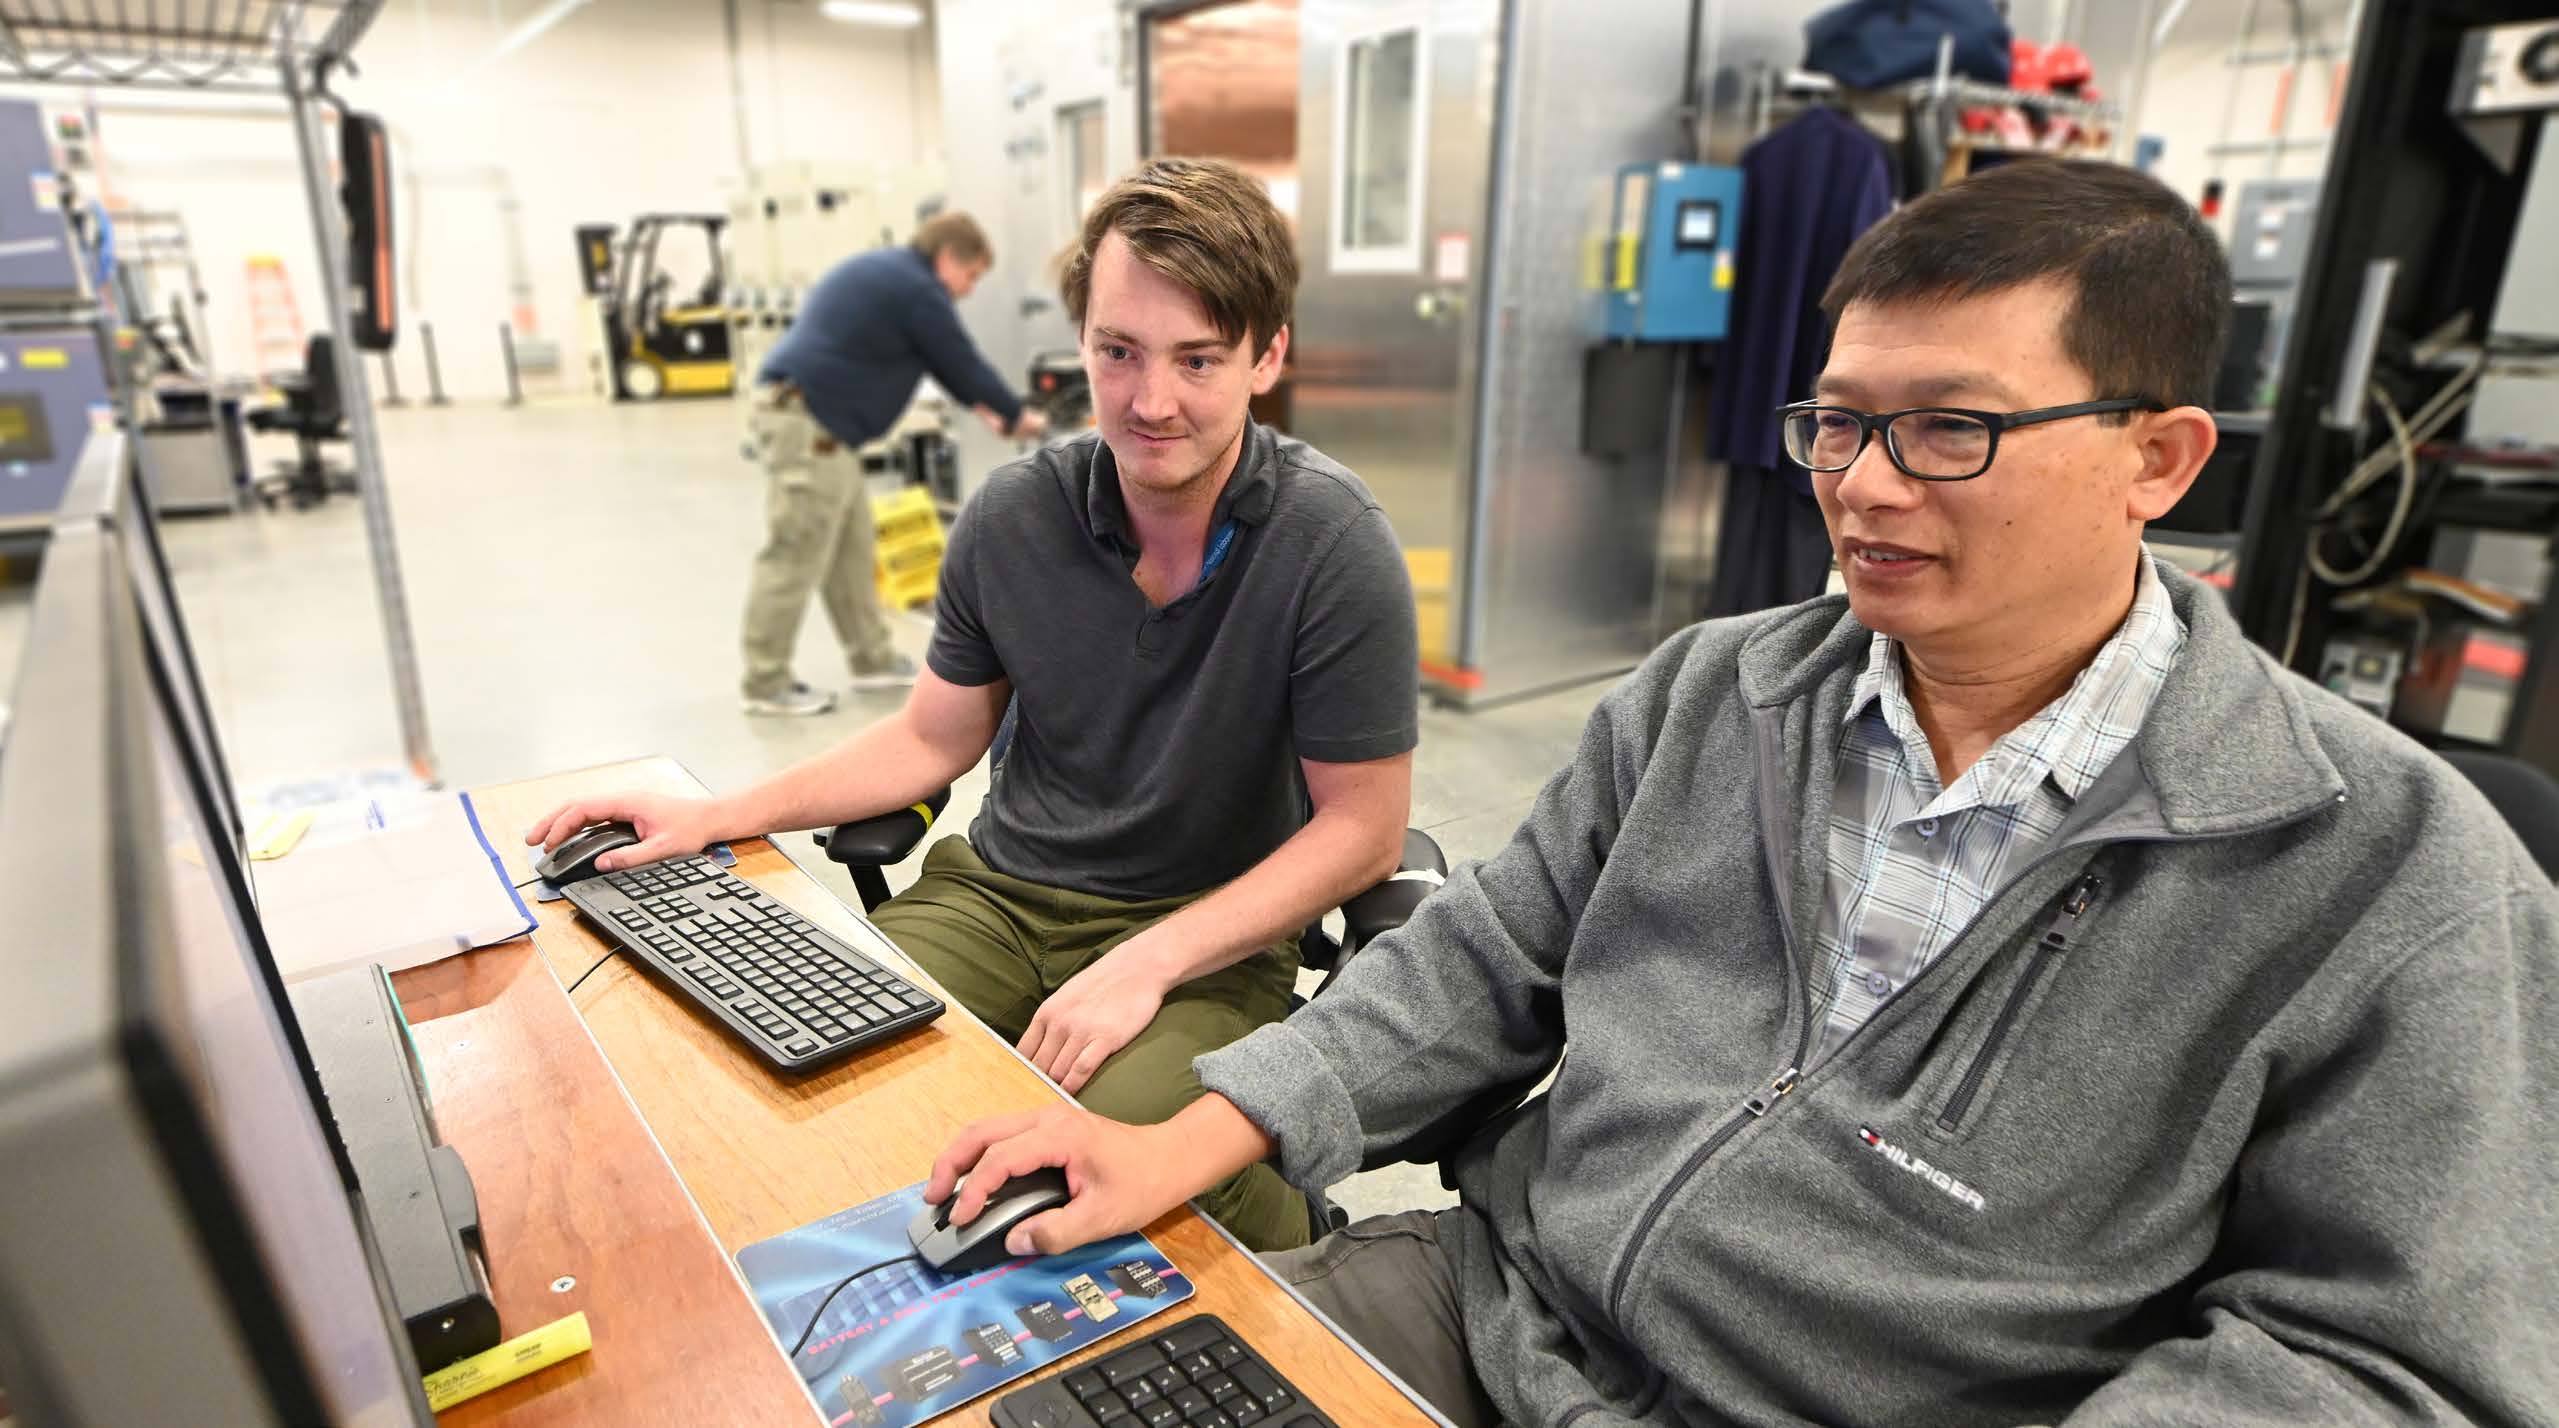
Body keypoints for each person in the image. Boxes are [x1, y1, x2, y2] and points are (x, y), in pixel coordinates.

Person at [922, 159, 2559, 1425]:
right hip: (1506, 1320)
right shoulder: (1719, 693)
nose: (1857, 483)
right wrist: (1197, 1132)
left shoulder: (2381, 871)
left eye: (1946, 433)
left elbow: (2385, 1357)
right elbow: (1477, 958)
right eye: (1837, 422)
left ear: (2157, 455)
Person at [535, 158, 1421, 1254]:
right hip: (999, 896)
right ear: (1081, 342)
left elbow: (1364, 831)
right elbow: (929, 737)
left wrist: (1145, 962)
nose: (1151, 402)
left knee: (1101, 1175)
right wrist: (717, 817)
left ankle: (1297, 1244)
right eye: (1118, 353)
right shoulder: (1014, 516)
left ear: (1268, 353)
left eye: (1198, 360)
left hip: (1201, 943)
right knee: (815, 1076)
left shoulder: (1333, 545)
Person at [740, 211, 1049, 716]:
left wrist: (991, 412)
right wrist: (1018, 416)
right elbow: (958, 361)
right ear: (948, 257)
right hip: (807, 426)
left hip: (821, 429)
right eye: (970, 276)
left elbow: (943, 366)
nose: (968, 291)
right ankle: (765, 681)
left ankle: (871, 659)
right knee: (795, 552)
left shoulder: (892, 275)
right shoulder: (915, 288)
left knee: (852, 548)